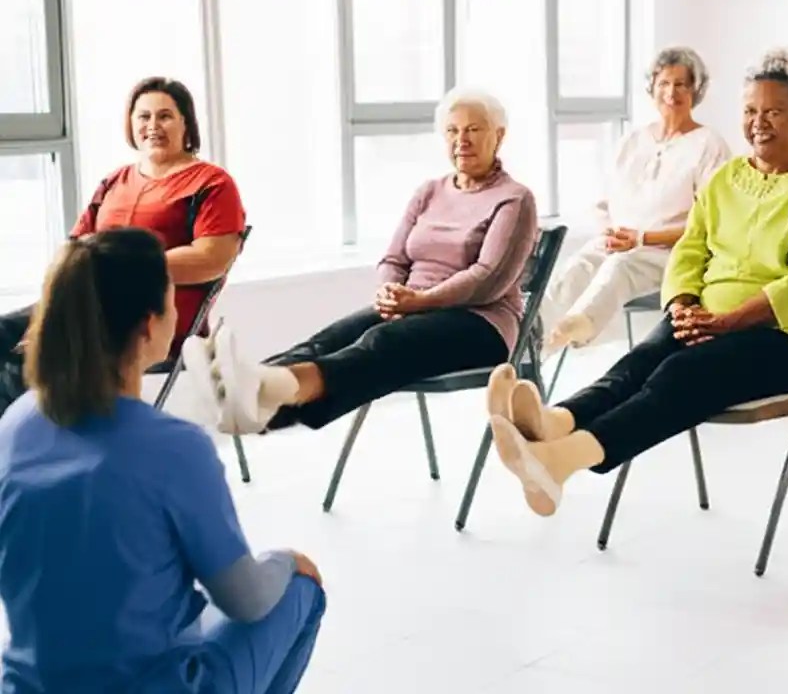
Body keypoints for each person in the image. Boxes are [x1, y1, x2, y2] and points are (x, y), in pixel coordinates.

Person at [484, 49, 788, 516]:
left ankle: (560, 461)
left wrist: (727, 322)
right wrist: (681, 301)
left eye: (774, 112)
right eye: (750, 111)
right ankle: (554, 422)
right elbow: (691, 249)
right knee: (640, 360)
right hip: (706, 321)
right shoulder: (727, 178)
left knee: (680, 373)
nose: (759, 122)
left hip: (783, 341)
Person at [0, 229, 324, 693]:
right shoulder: (174, 448)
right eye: (173, 302)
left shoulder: (12, 425)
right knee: (300, 590)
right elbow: (246, 600)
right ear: (149, 325)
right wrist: (288, 561)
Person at [183, 88, 538, 435]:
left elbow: (487, 278)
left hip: (480, 324)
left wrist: (423, 300)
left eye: (474, 129)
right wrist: (390, 290)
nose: (462, 139)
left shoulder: (514, 199)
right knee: (330, 339)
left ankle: (262, 396)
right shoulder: (430, 191)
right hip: (414, 308)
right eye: (452, 130)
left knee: (383, 342)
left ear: (499, 135)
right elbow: (394, 257)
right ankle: (238, 394)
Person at [0, 76, 246, 415]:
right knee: (3, 335)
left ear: (186, 123)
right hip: (87, 299)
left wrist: (116, 268)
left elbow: (211, 259)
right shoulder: (115, 180)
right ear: (131, 124)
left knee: (30, 358)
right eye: (143, 116)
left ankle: (42, 453)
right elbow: (77, 246)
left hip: (149, 315)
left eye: (165, 116)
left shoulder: (212, 182)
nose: (152, 125)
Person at [542, 47, 732, 352]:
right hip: (620, 242)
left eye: (681, 84)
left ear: (696, 90)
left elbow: (711, 225)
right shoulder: (633, 140)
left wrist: (642, 238)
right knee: (576, 267)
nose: (672, 92)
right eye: (664, 83)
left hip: (669, 252)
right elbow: (604, 203)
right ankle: (532, 346)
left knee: (620, 267)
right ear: (652, 89)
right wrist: (609, 230)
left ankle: (573, 327)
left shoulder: (709, 145)